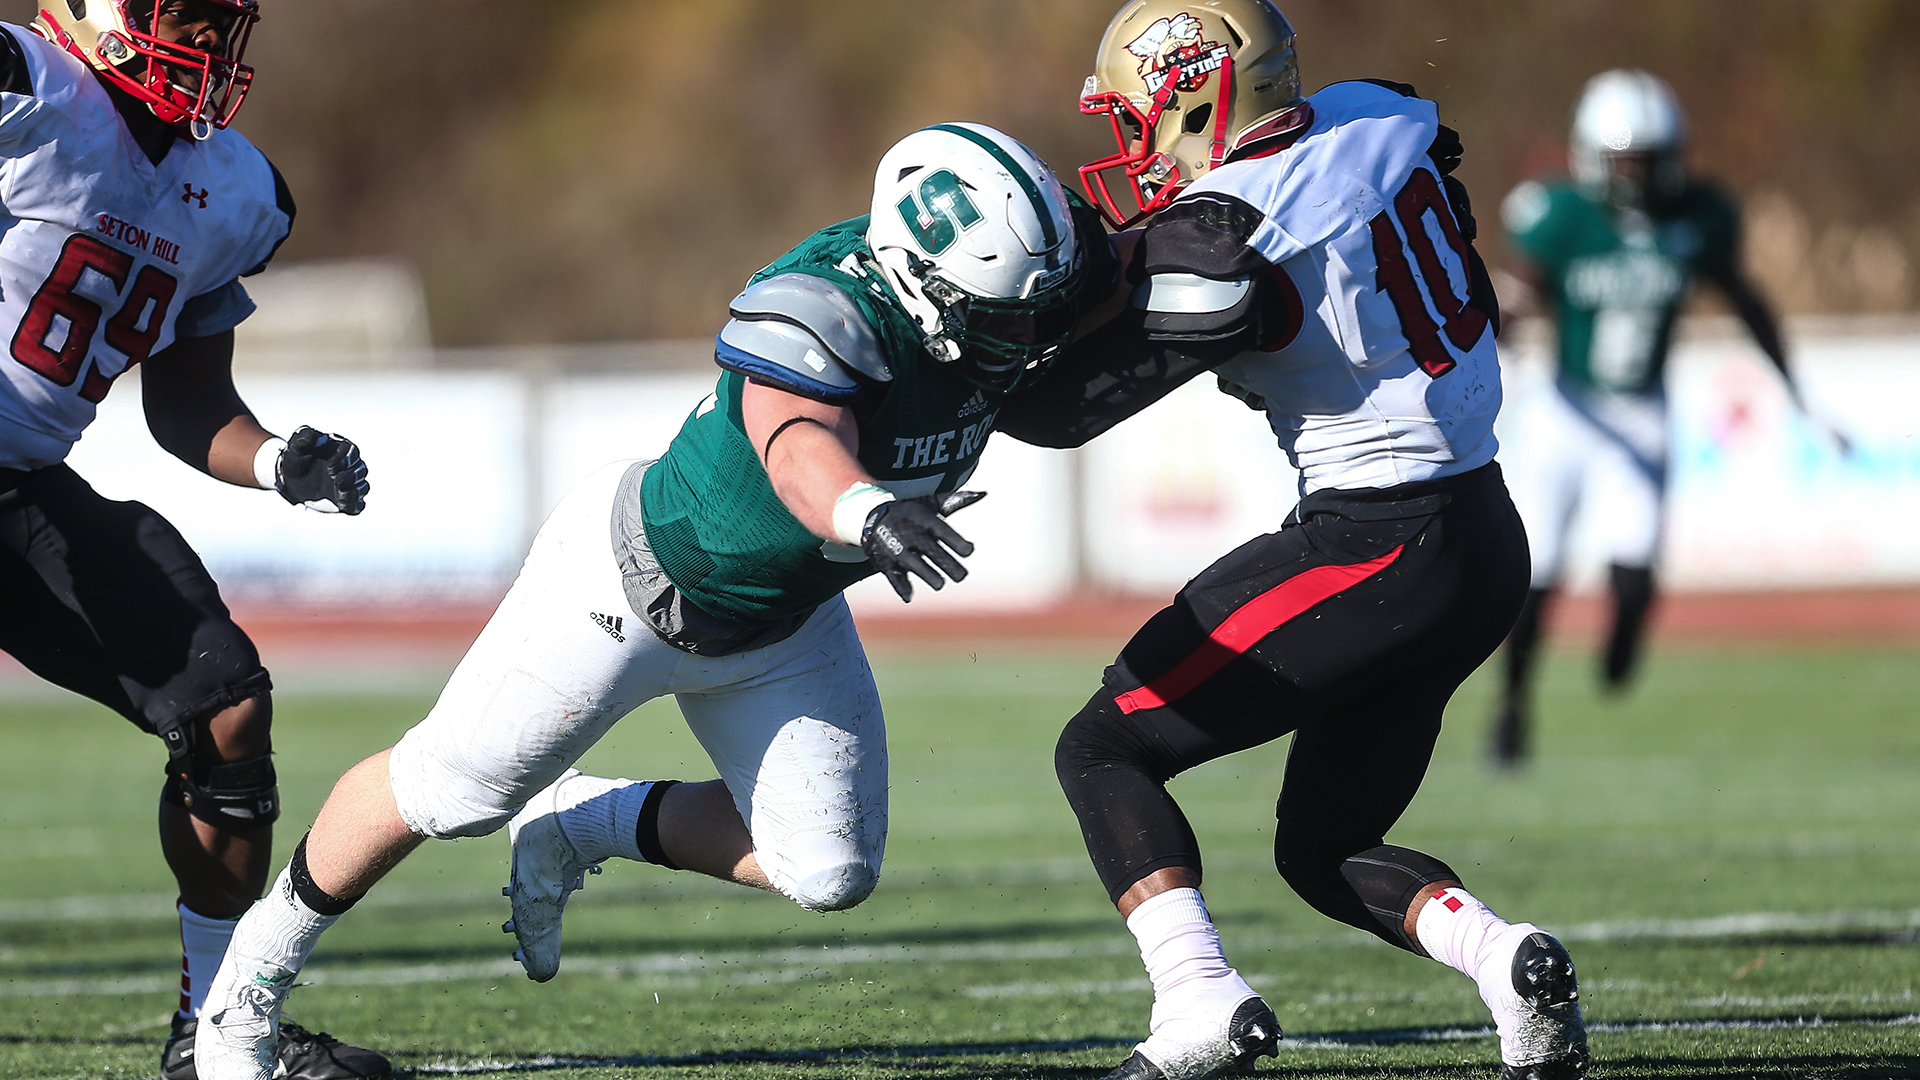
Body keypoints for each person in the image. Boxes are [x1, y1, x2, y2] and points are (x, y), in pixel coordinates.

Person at [193, 122, 1117, 1080]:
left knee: (829, 872)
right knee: (448, 790)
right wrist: (867, 511)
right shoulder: (825, 301)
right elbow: (796, 440)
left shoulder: (1017, 270)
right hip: (630, 586)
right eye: (1007, 315)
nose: (1029, 335)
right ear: (919, 281)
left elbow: (1120, 279)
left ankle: (584, 821)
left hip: (784, 620)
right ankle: (243, 993)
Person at [997, 3, 1587, 1078]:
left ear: (1201, 90)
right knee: (1323, 849)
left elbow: (1060, 413)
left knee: (1104, 745)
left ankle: (1197, 999)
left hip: (1375, 539)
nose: (1135, 144)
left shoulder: (1228, 225)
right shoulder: (1375, 115)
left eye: (1140, 115)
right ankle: (1511, 965)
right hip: (1484, 539)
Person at [0, 3, 381, 1078]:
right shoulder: (26, 88)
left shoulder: (235, 191)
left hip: (20, 486)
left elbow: (188, 401)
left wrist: (271, 461)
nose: (208, 42)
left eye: (221, 18)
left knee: (226, 713)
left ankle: (215, 1033)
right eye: (184, 12)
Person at [1488, 69, 1834, 765]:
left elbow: (1746, 300)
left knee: (1636, 578)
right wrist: (1495, 338)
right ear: (1594, 157)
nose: (1642, 176)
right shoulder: (1564, 216)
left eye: (1651, 159)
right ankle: (1512, 709)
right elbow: (1516, 296)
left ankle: (1619, 653)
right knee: (1540, 574)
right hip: (1567, 411)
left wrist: (1795, 387)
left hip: (1642, 411)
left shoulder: (1697, 216)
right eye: (1628, 160)